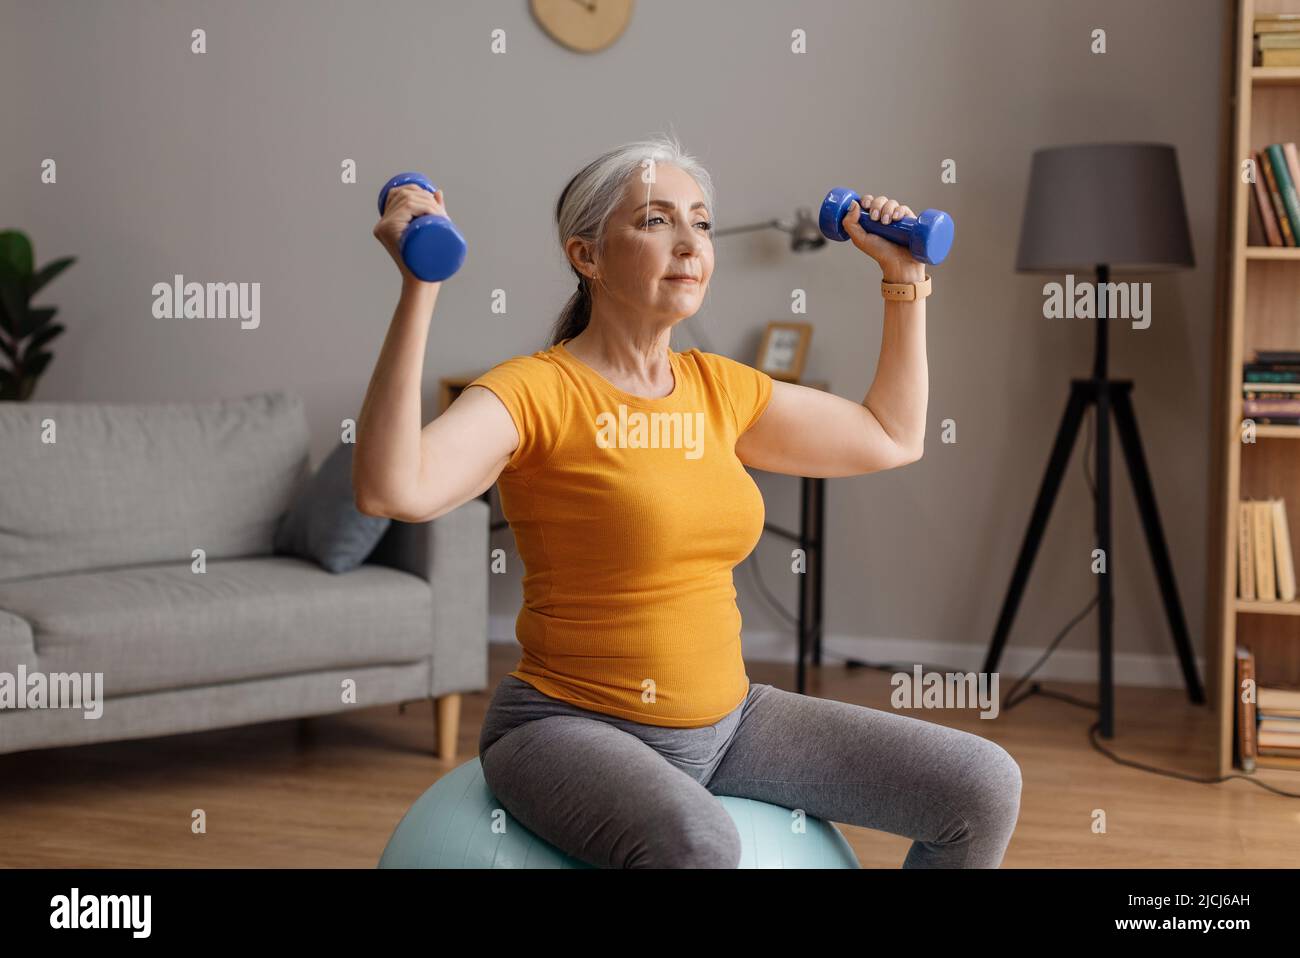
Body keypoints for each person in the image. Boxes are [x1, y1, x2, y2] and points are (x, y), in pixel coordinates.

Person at [354, 134, 1021, 868]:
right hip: (568, 728)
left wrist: (904, 278)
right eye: (654, 221)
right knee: (699, 843)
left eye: (700, 223)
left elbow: (891, 436)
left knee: (980, 786)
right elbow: (395, 488)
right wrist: (421, 287)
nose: (690, 243)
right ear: (587, 256)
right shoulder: (536, 390)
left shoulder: (717, 388)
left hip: (729, 724)